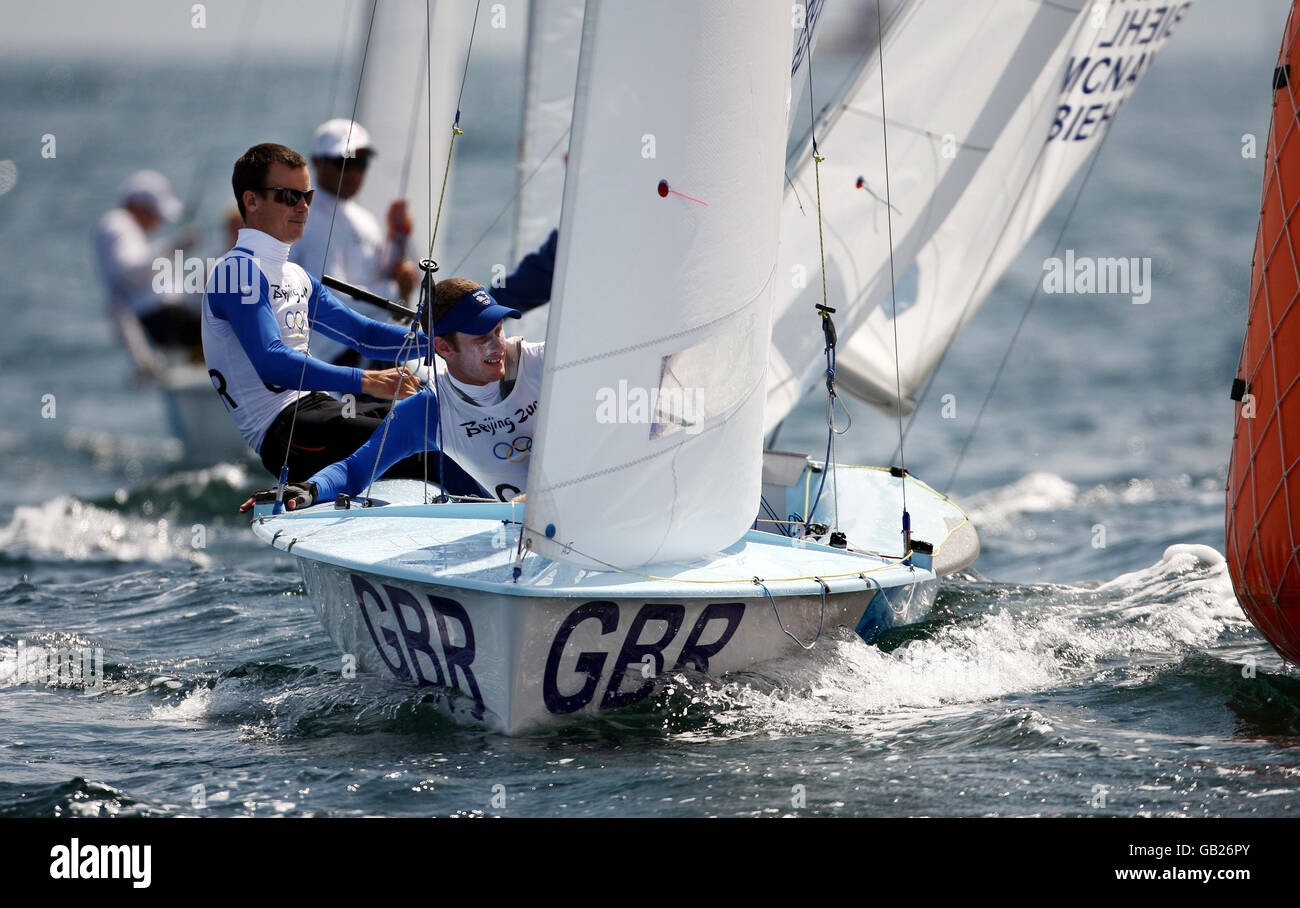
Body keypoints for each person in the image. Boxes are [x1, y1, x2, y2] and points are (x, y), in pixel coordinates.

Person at [203, 142, 481, 493]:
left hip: (323, 409)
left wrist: (442, 342)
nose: (302, 206)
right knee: (430, 450)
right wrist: (368, 380)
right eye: (287, 196)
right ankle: (506, 529)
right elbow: (271, 361)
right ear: (251, 201)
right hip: (286, 431)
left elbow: (361, 333)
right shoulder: (237, 272)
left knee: (442, 418)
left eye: (307, 196)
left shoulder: (296, 276)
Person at [241, 277, 542, 512]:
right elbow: (355, 470)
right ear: (443, 348)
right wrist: (310, 489)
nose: (497, 346)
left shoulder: (543, 364)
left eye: (499, 331)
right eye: (481, 338)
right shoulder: (429, 410)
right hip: (521, 537)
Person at [289, 119, 420, 367]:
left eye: (360, 164)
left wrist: (400, 236)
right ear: (317, 163)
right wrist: (395, 291)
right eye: (343, 163)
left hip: (369, 349)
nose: (353, 173)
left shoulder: (364, 218)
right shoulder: (308, 218)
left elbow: (391, 279)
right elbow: (332, 298)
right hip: (333, 359)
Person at [94, 170, 203, 379]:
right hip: (159, 318)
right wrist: (175, 246)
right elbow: (131, 271)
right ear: (139, 206)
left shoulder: (115, 226)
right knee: (224, 327)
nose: (158, 221)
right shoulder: (119, 225)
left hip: (154, 320)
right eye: (156, 213)